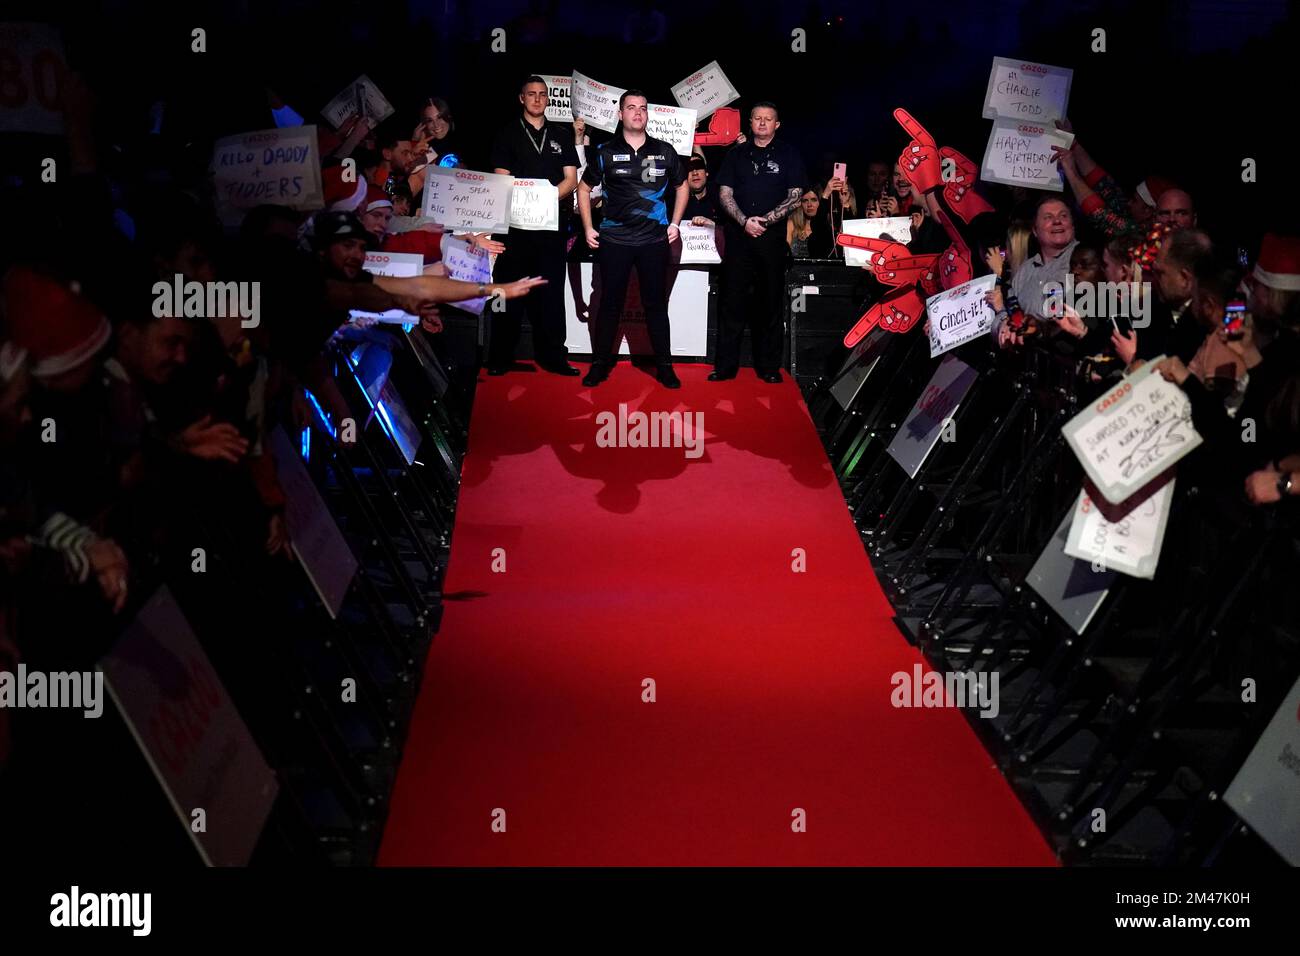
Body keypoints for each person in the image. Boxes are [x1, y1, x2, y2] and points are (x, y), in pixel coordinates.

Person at [576, 89, 688, 388]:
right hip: (614, 241)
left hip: (653, 242)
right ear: (620, 114)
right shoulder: (605, 151)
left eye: (643, 107)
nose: (638, 112)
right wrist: (588, 227)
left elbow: (682, 185)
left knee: (655, 305)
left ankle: (665, 367)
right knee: (609, 304)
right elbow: (583, 189)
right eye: (631, 107)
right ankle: (599, 365)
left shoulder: (665, 150)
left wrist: (675, 223)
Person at [488, 75, 580, 376]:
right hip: (514, 228)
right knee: (509, 292)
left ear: (548, 99)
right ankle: (501, 356)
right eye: (531, 94)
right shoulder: (506, 133)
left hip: (550, 226)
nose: (537, 99)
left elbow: (571, 179)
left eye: (542, 94)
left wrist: (547, 198)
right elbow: (501, 178)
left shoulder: (561, 135)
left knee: (551, 294)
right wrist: (524, 201)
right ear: (521, 98)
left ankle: (554, 356)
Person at [713, 101, 808, 382]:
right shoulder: (736, 155)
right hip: (739, 238)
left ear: (777, 124)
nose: (763, 123)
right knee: (732, 302)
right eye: (758, 118)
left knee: (770, 303)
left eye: (768, 119)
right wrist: (745, 221)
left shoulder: (789, 154)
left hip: (772, 239)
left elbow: (795, 196)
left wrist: (765, 221)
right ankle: (726, 366)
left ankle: (769, 368)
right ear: (750, 123)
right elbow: (724, 194)